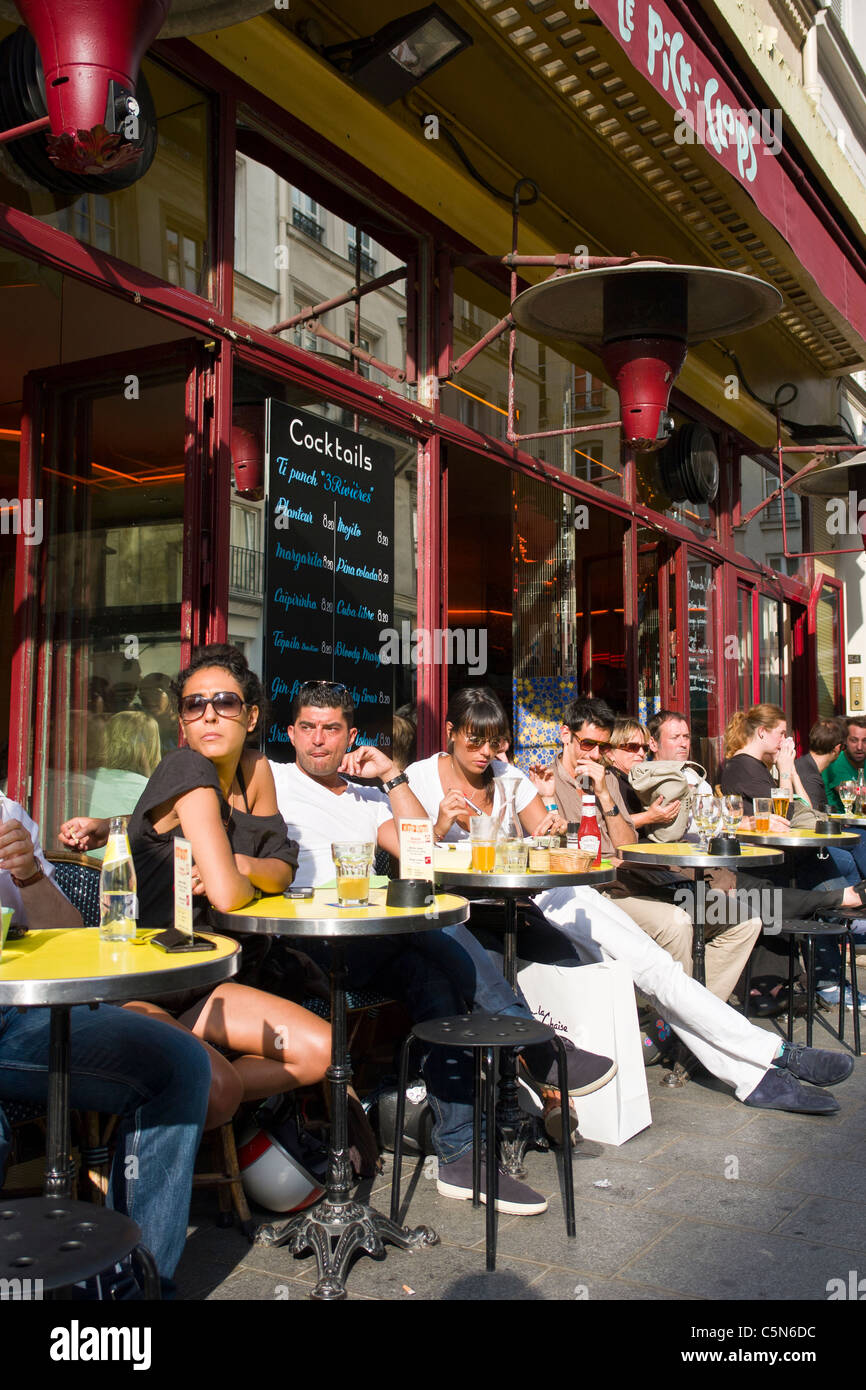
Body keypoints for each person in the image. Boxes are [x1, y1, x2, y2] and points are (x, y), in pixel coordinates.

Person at [407, 686, 855, 1116]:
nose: (485, 752)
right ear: (449, 731)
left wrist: (552, 827)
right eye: (474, 741)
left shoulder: (509, 776)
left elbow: (548, 833)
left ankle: (765, 1062)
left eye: (494, 742)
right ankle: (764, 1065)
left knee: (654, 967)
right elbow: (411, 860)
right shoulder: (421, 779)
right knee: (648, 963)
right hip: (475, 909)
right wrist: (442, 823)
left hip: (547, 894)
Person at [269, 679, 615, 1216]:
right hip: (306, 943)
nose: (318, 741)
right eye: (308, 728)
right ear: (289, 733)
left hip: (368, 942)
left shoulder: (365, 796)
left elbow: (421, 853)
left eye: (331, 729)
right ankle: (537, 1045)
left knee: (437, 971)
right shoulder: (272, 778)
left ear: (350, 736)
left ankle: (462, 1157)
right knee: (436, 922)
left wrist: (389, 774)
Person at [60, 645, 331, 1127]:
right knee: (218, 1088)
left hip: (214, 976)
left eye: (225, 703)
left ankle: (172, 1094)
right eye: (193, 705)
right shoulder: (188, 770)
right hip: (149, 982)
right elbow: (226, 896)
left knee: (322, 1052)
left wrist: (241, 865)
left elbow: (281, 865)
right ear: (182, 721)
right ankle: (186, 1105)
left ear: (250, 717)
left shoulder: (254, 771)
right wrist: (240, 875)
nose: (209, 715)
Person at [0, 795, 212, 1284]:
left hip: (23, 1014)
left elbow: (69, 932)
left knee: (178, 1064)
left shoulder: (8, 815)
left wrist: (29, 874)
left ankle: (131, 1285)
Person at [546, 702, 761, 1005]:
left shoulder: (606, 780)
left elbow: (626, 844)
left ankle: (692, 1019)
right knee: (677, 923)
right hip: (594, 891)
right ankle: (684, 1023)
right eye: (588, 744)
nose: (594, 754)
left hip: (633, 881)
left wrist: (606, 795)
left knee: (744, 920)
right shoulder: (547, 782)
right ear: (565, 735)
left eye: (602, 746)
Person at [824, 717, 866, 811]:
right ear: (845, 740)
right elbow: (851, 792)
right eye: (854, 740)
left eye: (865, 741)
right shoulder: (837, 760)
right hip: (838, 822)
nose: (859, 747)